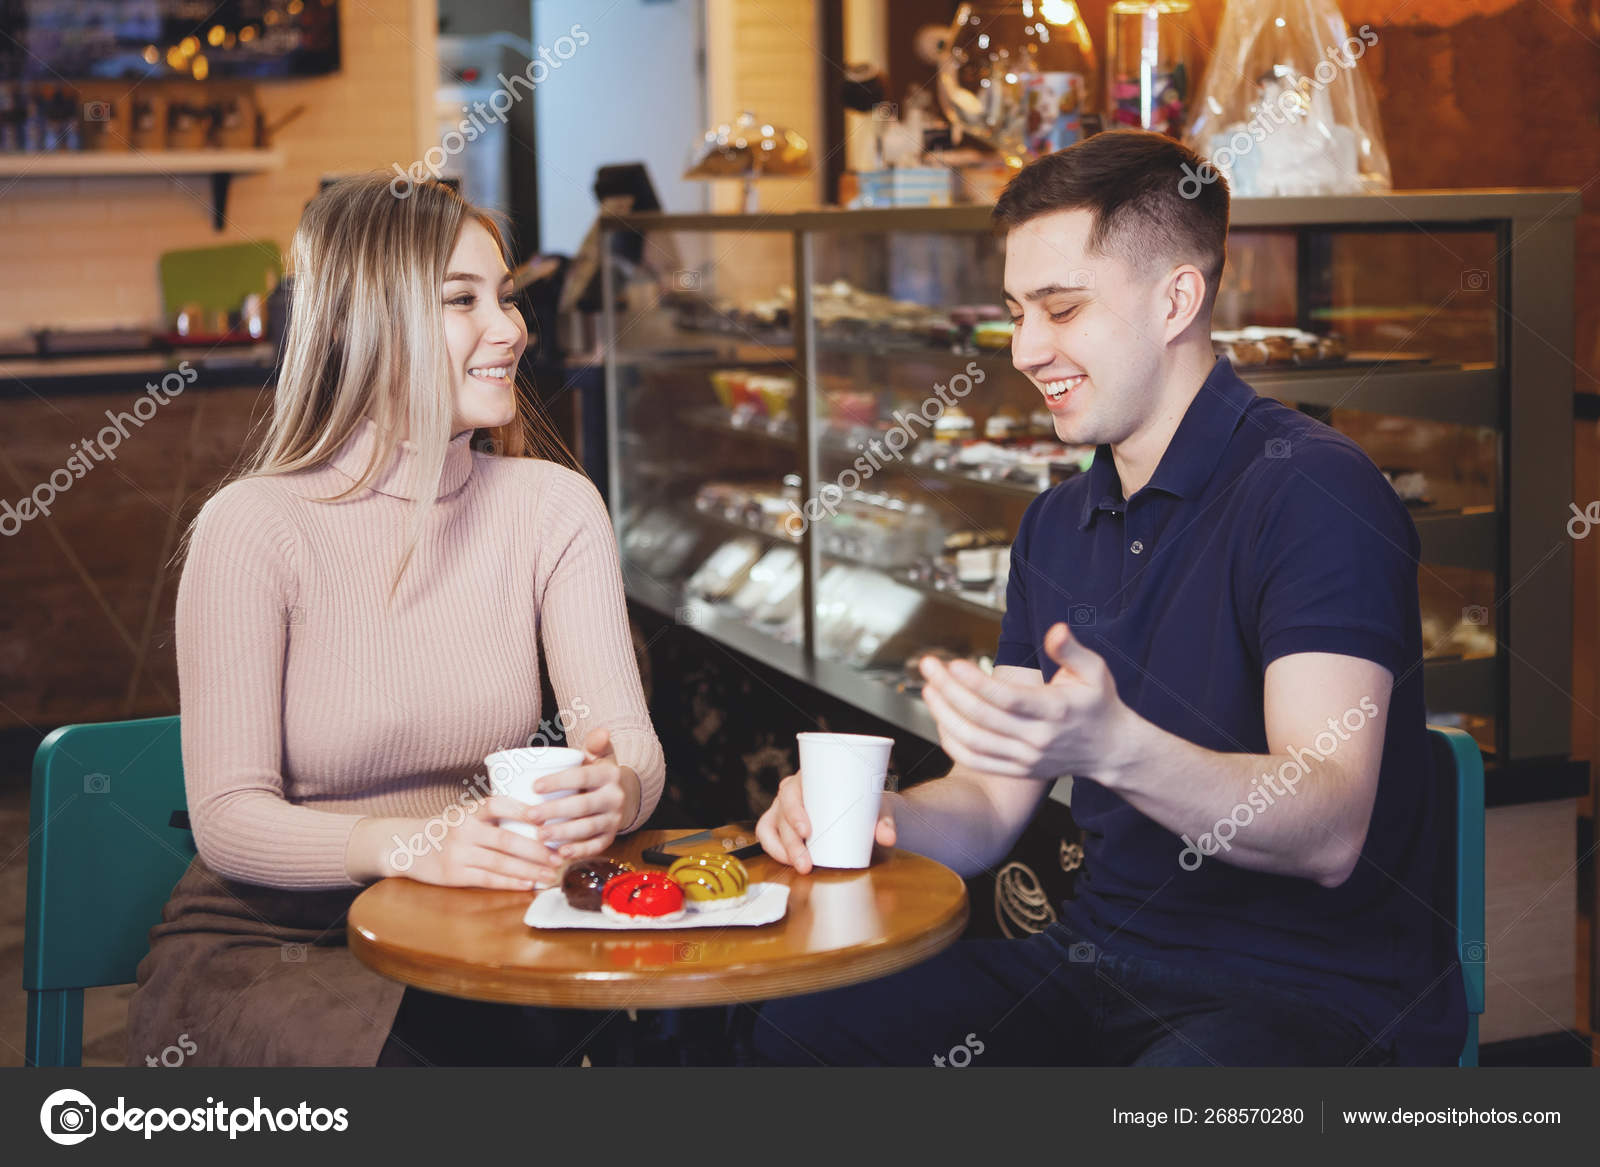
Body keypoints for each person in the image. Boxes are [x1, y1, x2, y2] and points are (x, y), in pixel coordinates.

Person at [751, 130, 1466, 1067]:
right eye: (1016, 311)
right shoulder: (1055, 522)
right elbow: (990, 805)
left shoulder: (1314, 491)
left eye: (1062, 309)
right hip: (1096, 966)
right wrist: (876, 815)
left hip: (1308, 997)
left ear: (1178, 298)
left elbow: (1328, 825)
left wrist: (1117, 749)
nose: (1024, 348)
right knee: (793, 1021)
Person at [126, 174, 665, 1067]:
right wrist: (416, 845)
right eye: (461, 300)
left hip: (481, 920)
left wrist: (621, 791)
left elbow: (628, 744)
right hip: (276, 943)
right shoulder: (255, 526)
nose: (511, 329)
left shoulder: (556, 507)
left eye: (506, 296)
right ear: (354, 328)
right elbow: (227, 817)